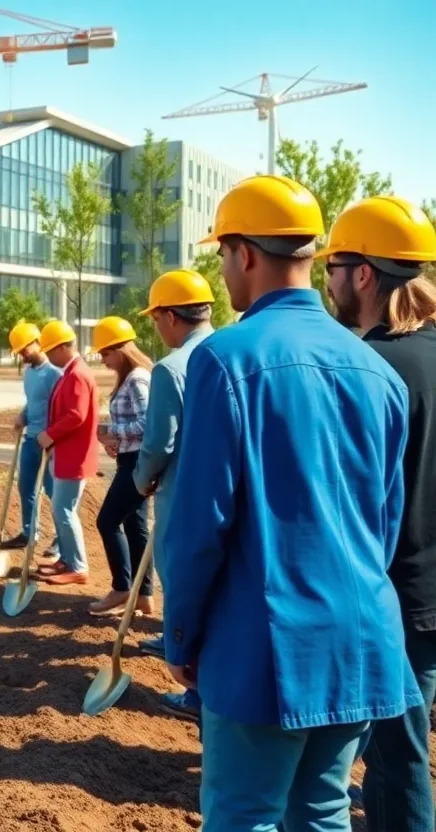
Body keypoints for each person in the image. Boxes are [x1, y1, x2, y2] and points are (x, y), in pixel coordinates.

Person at [163, 175, 420, 832]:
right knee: (322, 812)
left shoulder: (225, 360)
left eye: (222, 254)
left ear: (245, 254)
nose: (221, 270)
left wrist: (183, 637)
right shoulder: (378, 371)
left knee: (244, 816)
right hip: (361, 639)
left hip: (265, 645)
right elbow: (382, 527)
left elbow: (198, 529)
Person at [320, 195, 436, 832]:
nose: (328, 279)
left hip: (402, 599)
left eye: (335, 265)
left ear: (363, 274)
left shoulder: (376, 369)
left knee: (398, 758)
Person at [131, 268, 216, 722]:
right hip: (228, 499)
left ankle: (196, 695)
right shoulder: (233, 351)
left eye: (155, 317)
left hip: (181, 496)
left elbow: (159, 443)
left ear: (168, 316)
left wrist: (142, 479)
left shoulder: (171, 368)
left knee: (181, 586)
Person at [88, 316, 153, 616]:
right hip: (131, 457)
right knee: (135, 526)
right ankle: (144, 595)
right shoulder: (131, 377)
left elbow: (147, 422)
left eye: (105, 353)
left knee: (107, 521)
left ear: (120, 350)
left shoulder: (138, 378)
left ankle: (122, 587)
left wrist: (114, 433)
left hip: (137, 463)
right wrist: (111, 436)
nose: (102, 360)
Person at [35, 320, 99, 586]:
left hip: (74, 456)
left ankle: (78, 566)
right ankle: (67, 560)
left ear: (62, 347)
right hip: (64, 454)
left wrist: (50, 435)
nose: (48, 356)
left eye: (50, 351)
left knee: (64, 510)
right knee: (60, 508)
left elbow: (76, 414)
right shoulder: (71, 372)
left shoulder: (78, 375)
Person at [5, 321, 60, 554]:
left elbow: (60, 405)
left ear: (37, 343)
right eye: (19, 352)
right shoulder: (28, 373)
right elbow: (34, 402)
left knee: (52, 490)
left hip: (50, 441)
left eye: (24, 349)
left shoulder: (55, 372)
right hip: (31, 439)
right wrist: (22, 415)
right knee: (25, 486)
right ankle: (29, 532)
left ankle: (61, 538)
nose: (22, 355)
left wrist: (53, 436)